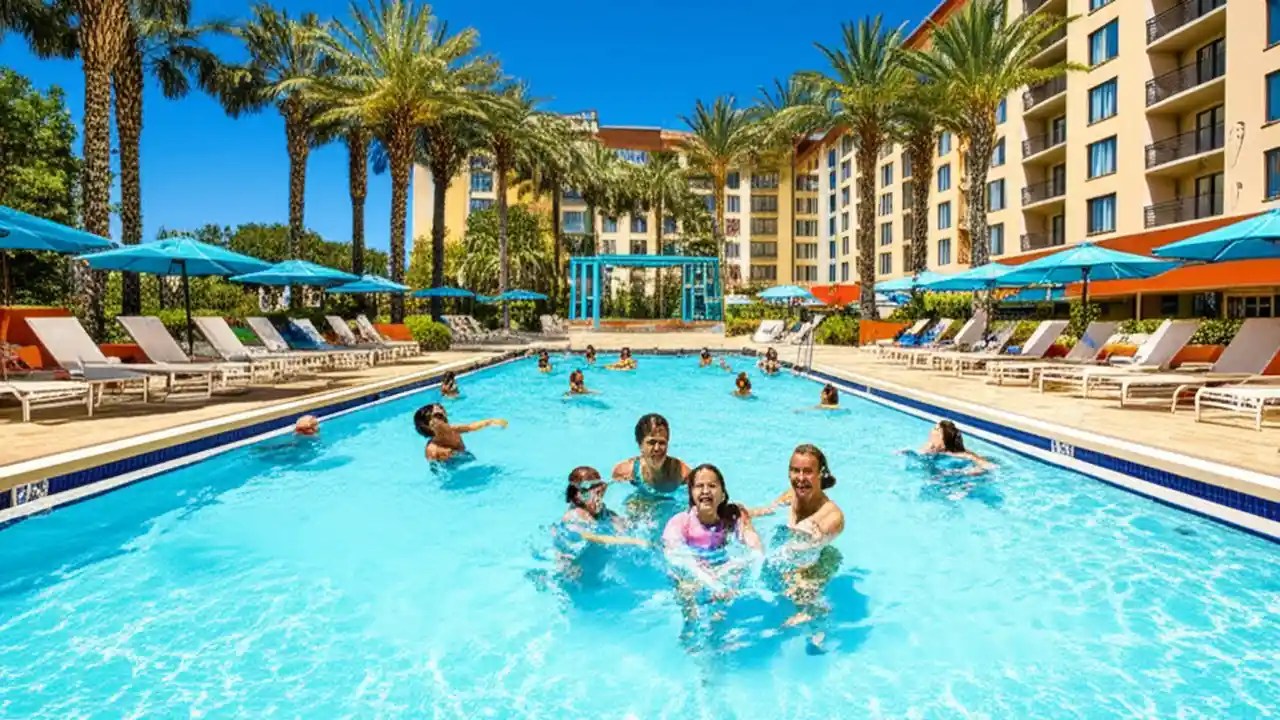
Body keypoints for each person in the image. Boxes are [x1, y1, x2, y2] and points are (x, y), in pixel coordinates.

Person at [752, 444, 845, 634]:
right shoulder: (791, 495)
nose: (800, 478)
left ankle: (818, 622)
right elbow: (767, 511)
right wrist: (739, 512)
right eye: (795, 471)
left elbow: (807, 547)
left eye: (808, 472)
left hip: (819, 561)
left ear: (821, 473)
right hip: (793, 558)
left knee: (803, 592)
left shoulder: (833, 516)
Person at [663, 464, 762, 600]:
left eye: (712, 485)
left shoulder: (733, 518)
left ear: (722, 495)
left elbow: (755, 549)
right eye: (699, 486)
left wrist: (735, 566)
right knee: (686, 589)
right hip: (693, 575)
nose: (705, 491)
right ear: (691, 494)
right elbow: (675, 555)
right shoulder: (680, 523)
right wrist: (710, 581)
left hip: (722, 571)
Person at [558, 466, 648, 548]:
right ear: (577, 497)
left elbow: (627, 528)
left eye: (600, 493)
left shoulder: (605, 513)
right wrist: (630, 541)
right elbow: (591, 537)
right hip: (575, 562)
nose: (598, 498)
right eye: (594, 493)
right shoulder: (573, 515)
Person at [610, 413, 692, 495]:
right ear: (640, 445)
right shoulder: (624, 472)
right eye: (651, 442)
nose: (657, 448)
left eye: (662, 443)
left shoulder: (682, 474)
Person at [413, 403, 507, 461]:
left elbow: (471, 427)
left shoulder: (453, 429)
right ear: (429, 426)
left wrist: (490, 421)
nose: (445, 415)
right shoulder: (433, 450)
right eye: (439, 416)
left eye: (443, 411)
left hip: (465, 457)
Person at [919, 420, 993, 473]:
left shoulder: (957, 454)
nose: (931, 430)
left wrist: (975, 470)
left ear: (941, 437)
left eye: (935, 429)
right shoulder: (929, 447)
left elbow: (989, 465)